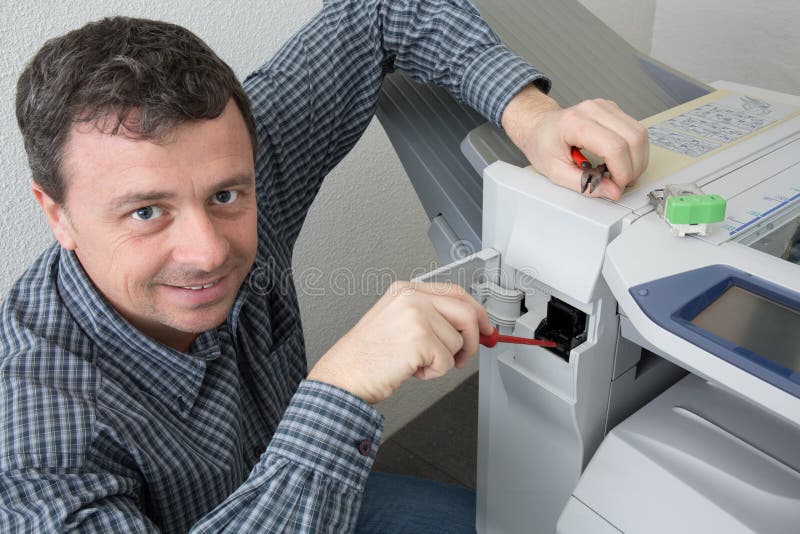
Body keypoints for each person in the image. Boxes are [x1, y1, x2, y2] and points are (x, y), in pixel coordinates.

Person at [1, 1, 648, 532]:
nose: (210, 252)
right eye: (146, 212)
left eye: (226, 195)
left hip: (302, 481)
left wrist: (531, 117)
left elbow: (384, 10)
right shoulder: (32, 423)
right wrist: (340, 390)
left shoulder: (241, 154)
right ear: (56, 213)